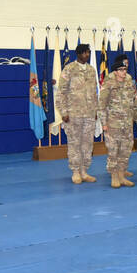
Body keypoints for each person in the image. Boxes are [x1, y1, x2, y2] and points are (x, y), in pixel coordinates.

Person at [59, 43, 100, 184]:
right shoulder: (69, 69)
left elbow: (95, 93)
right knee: (75, 143)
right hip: (73, 114)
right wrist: (64, 112)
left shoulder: (91, 70)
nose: (87, 55)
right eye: (84, 53)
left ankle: (84, 171)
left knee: (87, 144)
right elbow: (61, 92)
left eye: (88, 53)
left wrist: (95, 110)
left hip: (89, 114)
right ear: (78, 54)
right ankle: (75, 171)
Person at [100, 54, 136, 188]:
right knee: (113, 150)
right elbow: (102, 104)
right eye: (120, 70)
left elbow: (131, 100)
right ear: (115, 71)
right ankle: (114, 176)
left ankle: (121, 175)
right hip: (113, 123)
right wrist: (104, 123)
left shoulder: (129, 80)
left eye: (125, 69)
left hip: (127, 122)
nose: (123, 72)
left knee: (126, 150)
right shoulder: (109, 82)